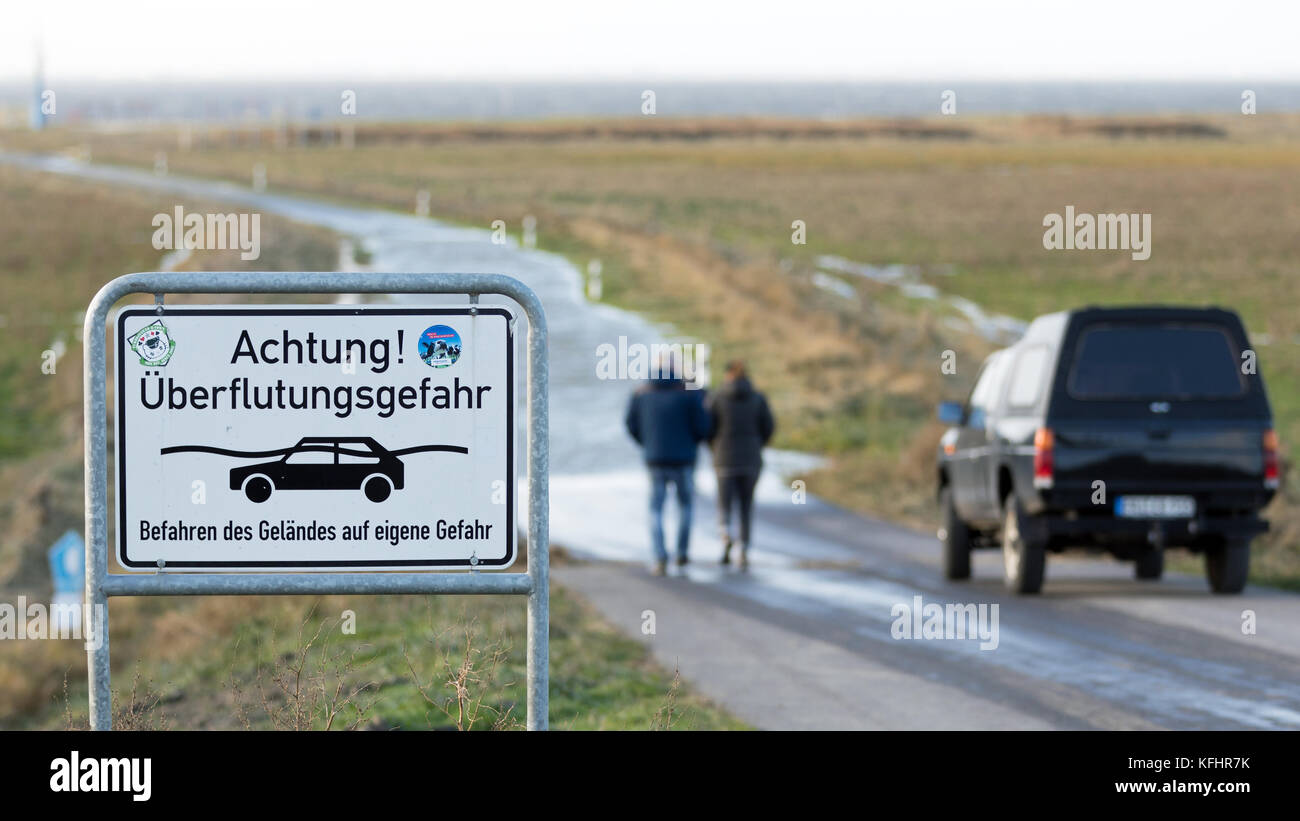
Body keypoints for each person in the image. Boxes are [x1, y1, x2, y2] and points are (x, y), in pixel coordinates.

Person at [625, 358, 711, 575]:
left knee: (656, 508)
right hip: (684, 459)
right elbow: (703, 427)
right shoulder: (689, 394)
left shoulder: (641, 394)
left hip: (655, 459)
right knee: (685, 506)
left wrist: (647, 443)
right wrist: (690, 443)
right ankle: (681, 554)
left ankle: (660, 556)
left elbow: (631, 425)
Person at [706, 360, 775, 570]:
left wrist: (714, 446)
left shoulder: (717, 397)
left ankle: (726, 534)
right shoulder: (758, 398)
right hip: (751, 459)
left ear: (727, 375)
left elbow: (707, 427)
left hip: (724, 458)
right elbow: (768, 427)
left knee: (724, 503)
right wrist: (757, 444)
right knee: (746, 505)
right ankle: (744, 548)